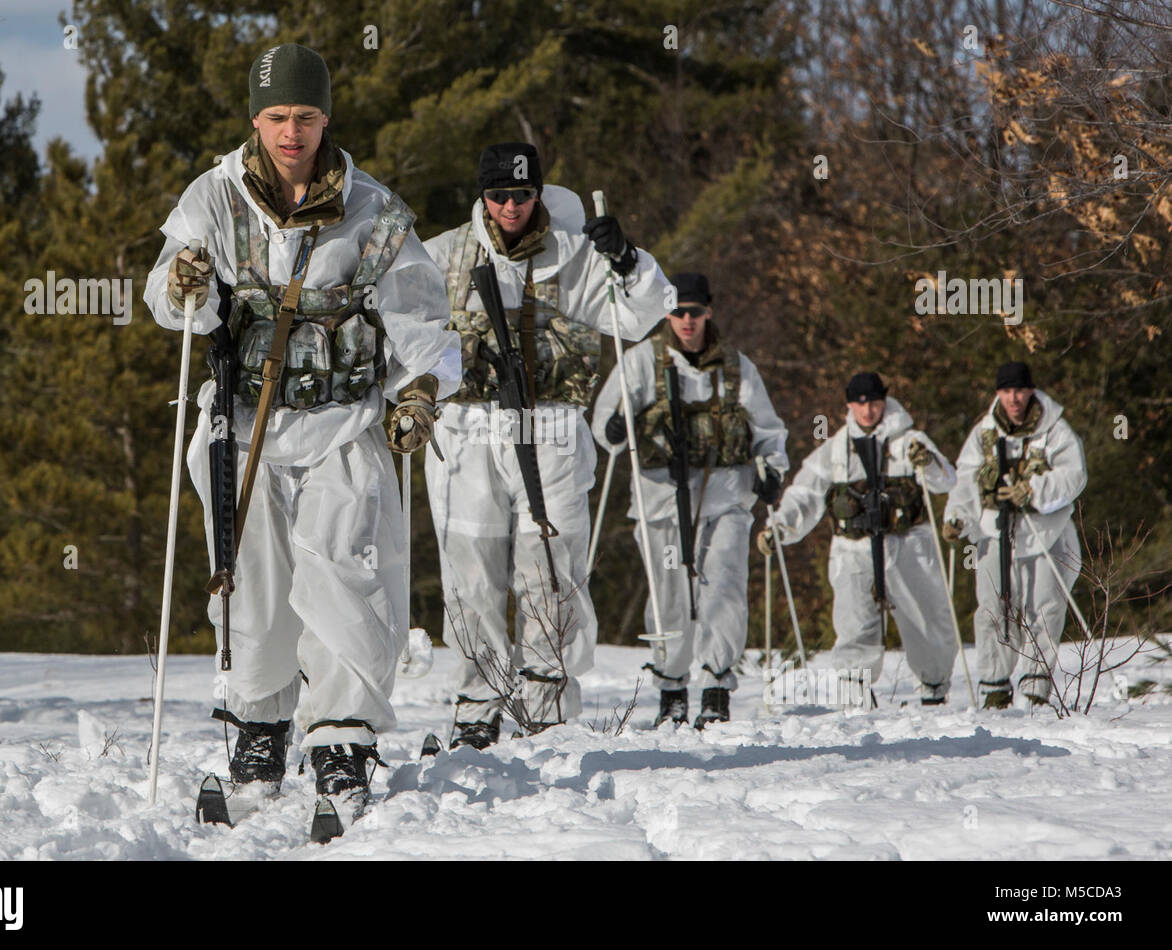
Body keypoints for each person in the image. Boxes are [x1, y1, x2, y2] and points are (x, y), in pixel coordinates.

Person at [143, 43, 461, 831]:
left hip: (342, 426)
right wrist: (181, 285)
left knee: (343, 577)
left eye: (308, 116)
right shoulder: (214, 198)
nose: (293, 132)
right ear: (256, 118)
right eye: (279, 116)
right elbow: (168, 296)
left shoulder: (374, 212)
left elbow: (423, 320)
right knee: (253, 582)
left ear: (327, 119)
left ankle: (343, 743)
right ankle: (258, 733)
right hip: (244, 427)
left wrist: (420, 389)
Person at [423, 143, 670, 748]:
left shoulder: (576, 256)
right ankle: (477, 704)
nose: (511, 206)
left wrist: (628, 259)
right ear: (482, 196)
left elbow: (639, 316)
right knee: (473, 577)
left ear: (539, 193)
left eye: (523, 194)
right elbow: (401, 328)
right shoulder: (442, 254)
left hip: (552, 431)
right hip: (468, 433)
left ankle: (548, 702)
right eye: (500, 195)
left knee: (552, 574)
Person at [591, 273, 788, 727]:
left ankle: (717, 685)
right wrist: (614, 430)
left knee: (724, 586)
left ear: (708, 312)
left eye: (694, 311)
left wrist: (773, 470)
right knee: (669, 593)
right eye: (678, 312)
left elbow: (768, 429)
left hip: (727, 496)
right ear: (666, 313)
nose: (686, 320)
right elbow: (606, 419)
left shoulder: (737, 367)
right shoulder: (642, 362)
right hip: (661, 500)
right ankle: (672, 687)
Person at [759, 373, 959, 705]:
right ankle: (855, 693)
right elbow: (805, 493)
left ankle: (934, 688)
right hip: (853, 548)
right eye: (861, 404)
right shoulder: (835, 449)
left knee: (926, 619)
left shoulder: (910, 440)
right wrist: (780, 527)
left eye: (875, 403)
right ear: (850, 405)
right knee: (854, 625)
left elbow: (945, 480)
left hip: (907, 545)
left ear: (885, 401)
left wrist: (930, 462)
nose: (868, 411)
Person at [942, 361, 1086, 708]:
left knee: (1045, 607)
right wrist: (957, 517)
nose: (1013, 398)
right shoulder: (983, 434)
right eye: (1006, 391)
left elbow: (1074, 475)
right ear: (998, 394)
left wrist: (1033, 490)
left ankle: (1036, 687)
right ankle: (994, 686)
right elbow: (966, 479)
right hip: (995, 531)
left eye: (1019, 390)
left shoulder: (1055, 430)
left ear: (1031, 391)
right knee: (993, 607)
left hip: (1045, 532)